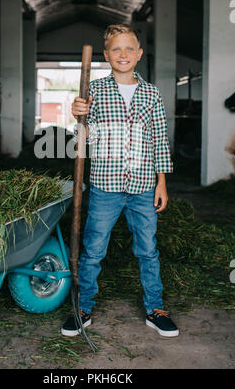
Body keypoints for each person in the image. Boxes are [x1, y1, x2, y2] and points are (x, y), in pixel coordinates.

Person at [61, 24, 179, 338]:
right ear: (106, 55)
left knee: (148, 250)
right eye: (116, 49)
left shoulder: (151, 93)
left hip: (142, 186)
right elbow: (84, 134)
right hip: (105, 187)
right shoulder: (95, 90)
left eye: (129, 49)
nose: (123, 54)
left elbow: (159, 140)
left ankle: (155, 308)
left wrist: (161, 182)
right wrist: (77, 112)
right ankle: (83, 307)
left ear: (140, 54)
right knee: (94, 249)